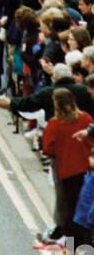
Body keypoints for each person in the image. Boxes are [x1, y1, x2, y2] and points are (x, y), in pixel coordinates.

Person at [40, 88, 94, 246]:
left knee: (69, 206)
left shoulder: (54, 124)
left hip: (66, 169)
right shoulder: (85, 118)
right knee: (84, 207)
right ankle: (83, 244)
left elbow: (48, 148)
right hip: (86, 168)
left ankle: (71, 243)